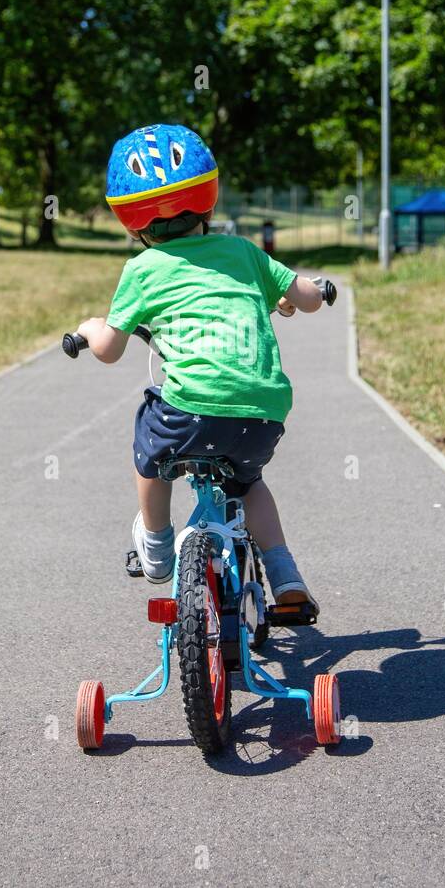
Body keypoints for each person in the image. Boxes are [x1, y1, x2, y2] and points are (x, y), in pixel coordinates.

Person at [74, 123, 324, 609]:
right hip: (263, 415)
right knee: (247, 484)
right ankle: (286, 578)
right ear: (207, 197)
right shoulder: (244, 252)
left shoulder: (142, 271)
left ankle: (157, 544)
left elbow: (108, 350)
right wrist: (302, 293)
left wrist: (89, 328)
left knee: (150, 446)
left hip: (189, 415)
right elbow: (309, 299)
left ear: (130, 219)